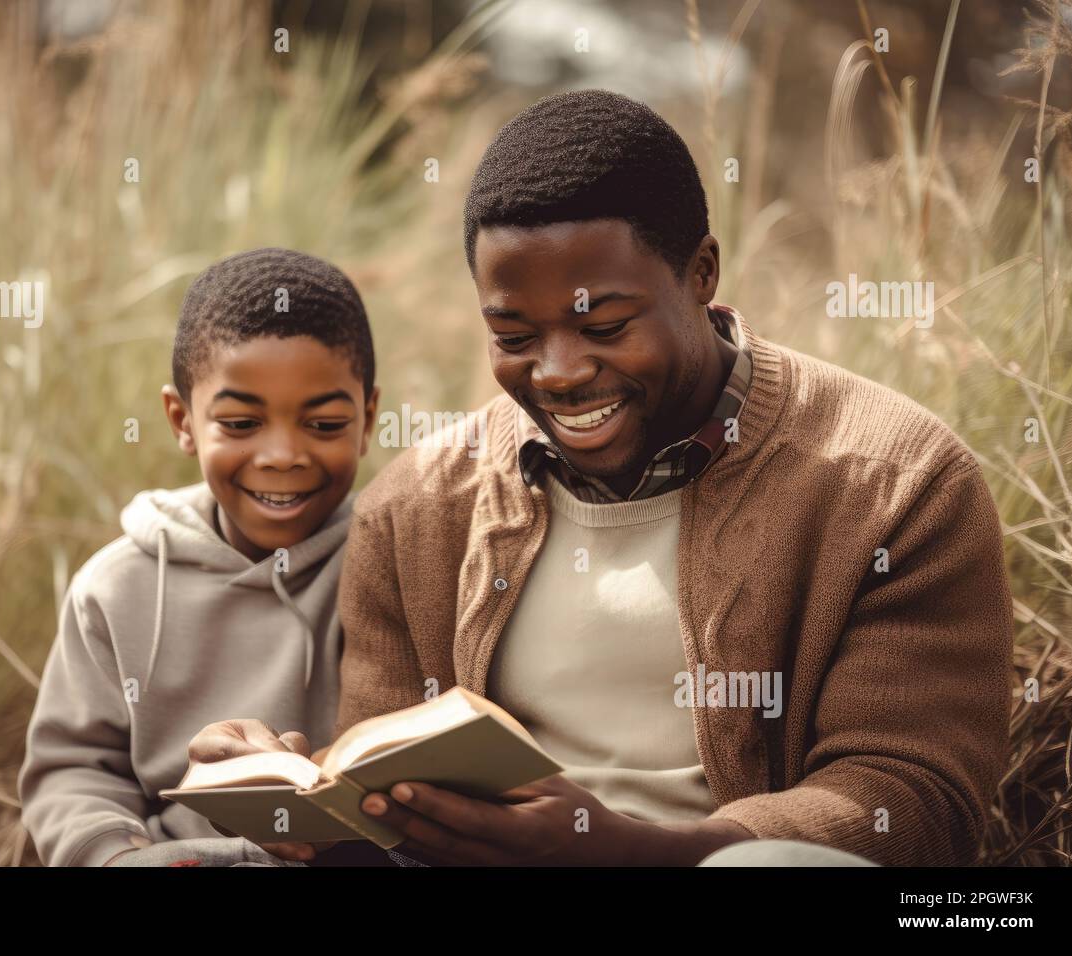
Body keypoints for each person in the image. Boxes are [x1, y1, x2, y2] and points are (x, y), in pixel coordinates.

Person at [186, 91, 1014, 867]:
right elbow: (387, 768)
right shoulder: (416, 507)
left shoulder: (899, 483)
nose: (558, 373)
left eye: (604, 326)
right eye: (513, 334)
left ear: (701, 273)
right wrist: (307, 801)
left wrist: (642, 852)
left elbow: (912, 801)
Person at [18, 248, 378, 866]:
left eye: (323, 425)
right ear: (182, 421)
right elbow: (75, 769)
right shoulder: (117, 589)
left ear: (368, 418)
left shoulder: (393, 561)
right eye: (240, 423)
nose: (282, 455)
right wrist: (117, 855)